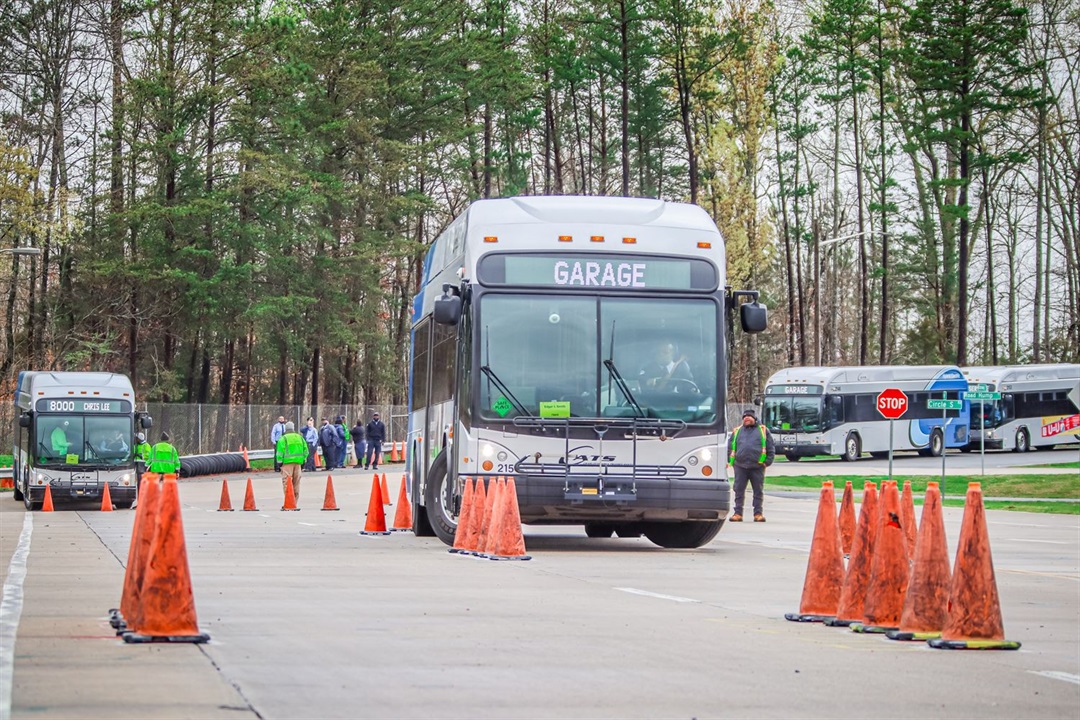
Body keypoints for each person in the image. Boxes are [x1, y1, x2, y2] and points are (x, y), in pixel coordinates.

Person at [727, 409, 775, 522]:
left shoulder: (763, 430)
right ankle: (737, 514)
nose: (747, 418)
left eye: (749, 417)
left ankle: (758, 514)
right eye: (745, 417)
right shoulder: (737, 431)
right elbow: (730, 447)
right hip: (740, 466)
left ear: (754, 418)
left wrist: (767, 461)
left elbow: (770, 447)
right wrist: (730, 460)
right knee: (738, 490)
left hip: (757, 466)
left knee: (758, 491)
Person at [276, 421, 308, 502]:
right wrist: (304, 460)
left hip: (287, 464)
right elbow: (306, 451)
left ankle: (289, 501)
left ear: (286, 429)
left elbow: (279, 453)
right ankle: (295, 502)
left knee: (287, 483)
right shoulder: (300, 437)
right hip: (298, 463)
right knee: (296, 483)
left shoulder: (283, 439)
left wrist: (279, 463)